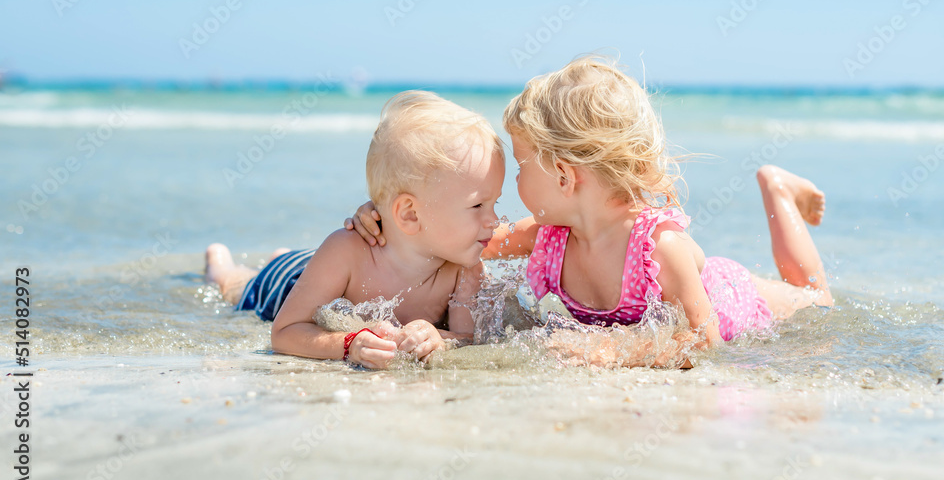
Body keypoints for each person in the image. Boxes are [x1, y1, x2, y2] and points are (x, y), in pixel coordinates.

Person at [349, 57, 832, 365]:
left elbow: (706, 343)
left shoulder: (660, 248)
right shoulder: (549, 235)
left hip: (732, 298)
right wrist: (388, 218)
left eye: (521, 166)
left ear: (564, 176)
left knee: (813, 297)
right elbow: (453, 235)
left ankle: (777, 188)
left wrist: (614, 349)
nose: (514, 182)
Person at [206, 91, 504, 369]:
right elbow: (284, 333)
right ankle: (221, 265)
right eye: (478, 205)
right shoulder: (347, 251)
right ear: (410, 214)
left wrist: (440, 339)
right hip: (287, 282)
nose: (494, 219)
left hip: (317, 272)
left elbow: (469, 338)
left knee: (303, 268)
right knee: (239, 287)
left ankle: (281, 255)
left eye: (495, 203)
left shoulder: (466, 268)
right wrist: (348, 343)